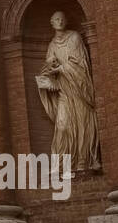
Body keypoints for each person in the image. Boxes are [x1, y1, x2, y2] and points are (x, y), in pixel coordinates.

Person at [36, 10, 100, 172]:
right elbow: (47, 66)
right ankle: (63, 165)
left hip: (78, 89)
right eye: (56, 19)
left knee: (82, 123)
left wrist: (62, 68)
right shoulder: (52, 45)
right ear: (52, 23)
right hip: (63, 90)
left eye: (62, 19)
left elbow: (80, 63)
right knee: (63, 125)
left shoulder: (75, 37)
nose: (60, 21)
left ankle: (83, 161)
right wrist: (49, 69)